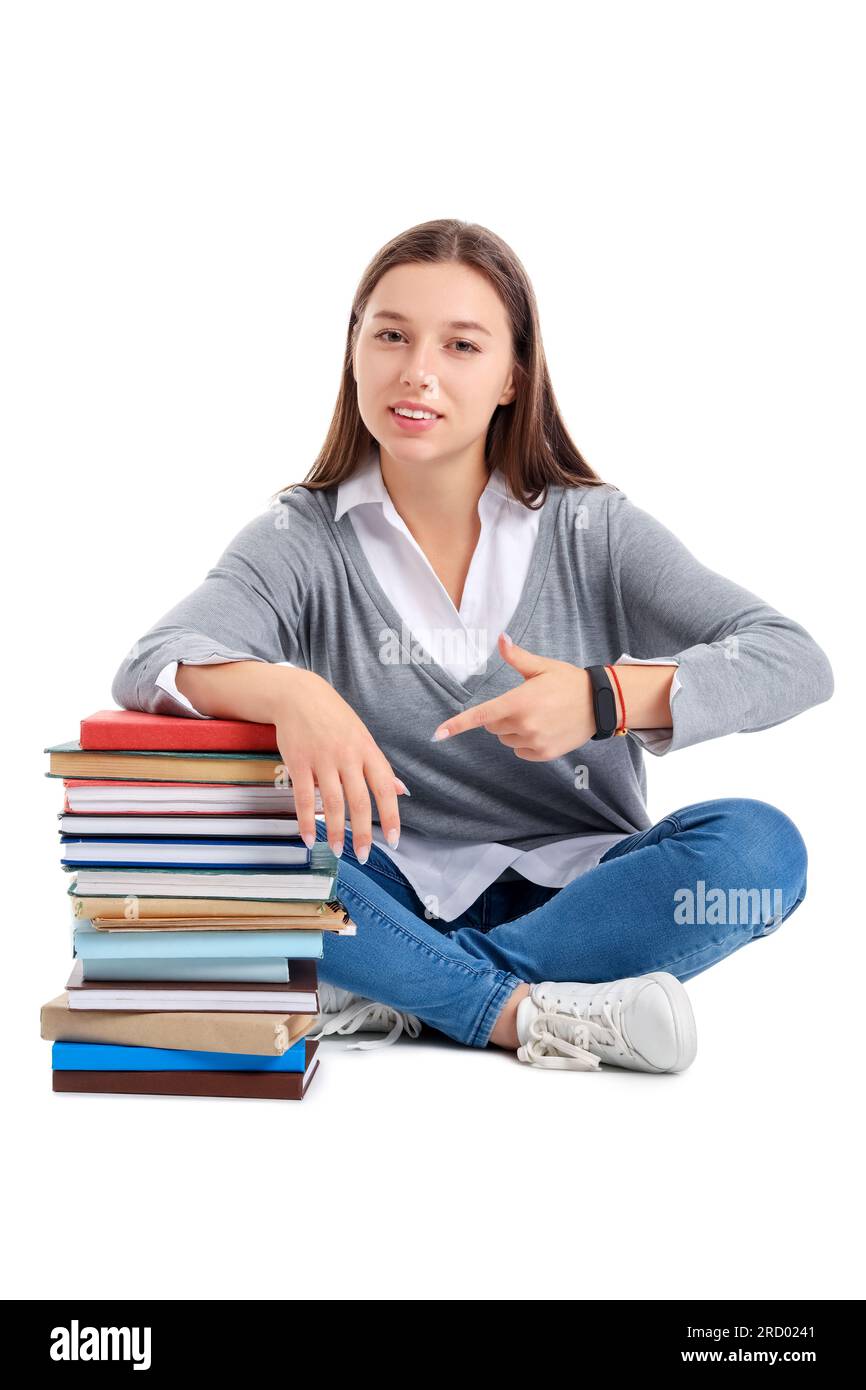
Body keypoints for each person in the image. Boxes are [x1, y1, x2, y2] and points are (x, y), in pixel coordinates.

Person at [110, 218, 834, 1075]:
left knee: (760, 849)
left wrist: (604, 697)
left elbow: (792, 658)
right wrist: (292, 692)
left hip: (581, 896)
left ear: (512, 377)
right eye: (391, 336)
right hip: (381, 888)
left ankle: (418, 989)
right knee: (219, 835)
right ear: (355, 350)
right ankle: (524, 1012)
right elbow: (153, 660)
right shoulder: (301, 537)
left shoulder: (592, 529)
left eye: (461, 345)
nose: (417, 371)